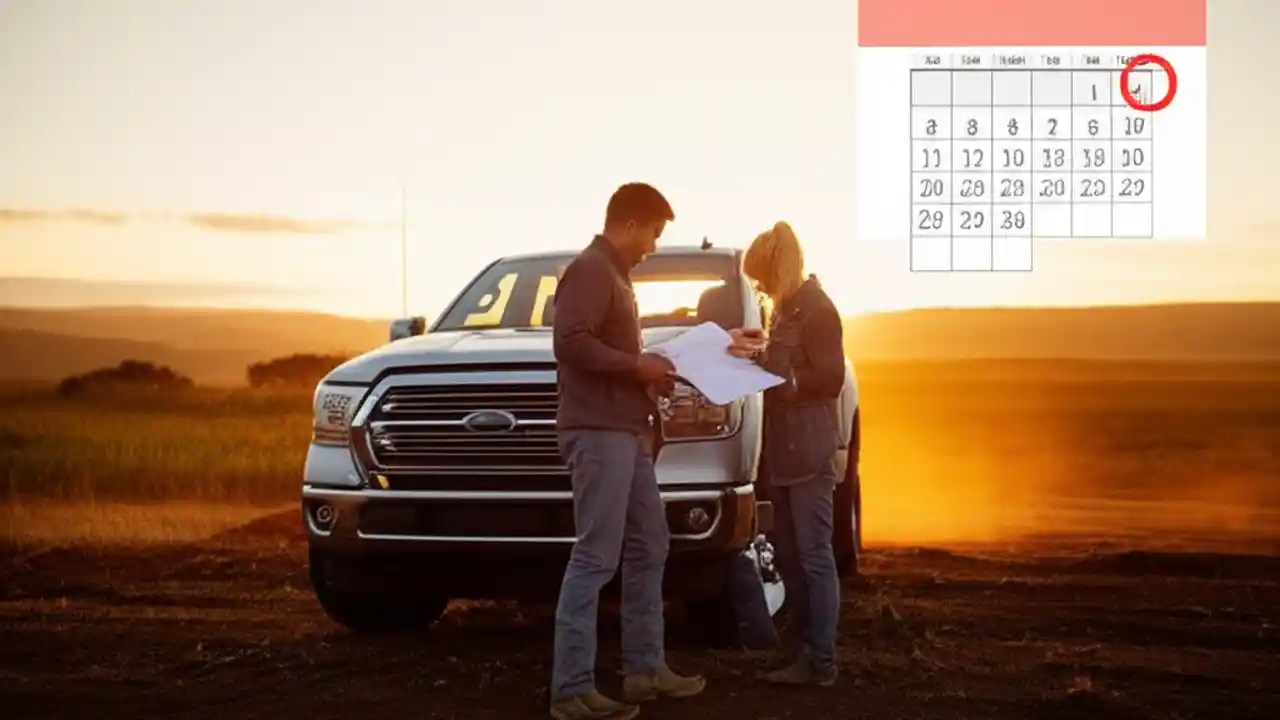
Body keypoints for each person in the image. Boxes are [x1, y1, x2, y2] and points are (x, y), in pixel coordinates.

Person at [549, 182, 707, 720]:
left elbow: (607, 353)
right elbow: (569, 342)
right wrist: (637, 366)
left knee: (649, 545)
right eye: (655, 234)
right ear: (632, 223)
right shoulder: (593, 270)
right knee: (595, 555)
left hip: (626, 431)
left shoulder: (614, 276)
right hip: (598, 433)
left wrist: (647, 376)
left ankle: (643, 670)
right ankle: (570, 690)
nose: (654, 247)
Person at [727, 221, 846, 686]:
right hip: (785, 452)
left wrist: (781, 381)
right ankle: (803, 650)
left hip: (810, 450)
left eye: (762, 278)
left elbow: (830, 378)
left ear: (780, 269)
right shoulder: (788, 310)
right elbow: (784, 365)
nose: (759, 287)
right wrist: (755, 359)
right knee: (793, 554)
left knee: (815, 556)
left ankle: (821, 661)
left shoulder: (817, 311)